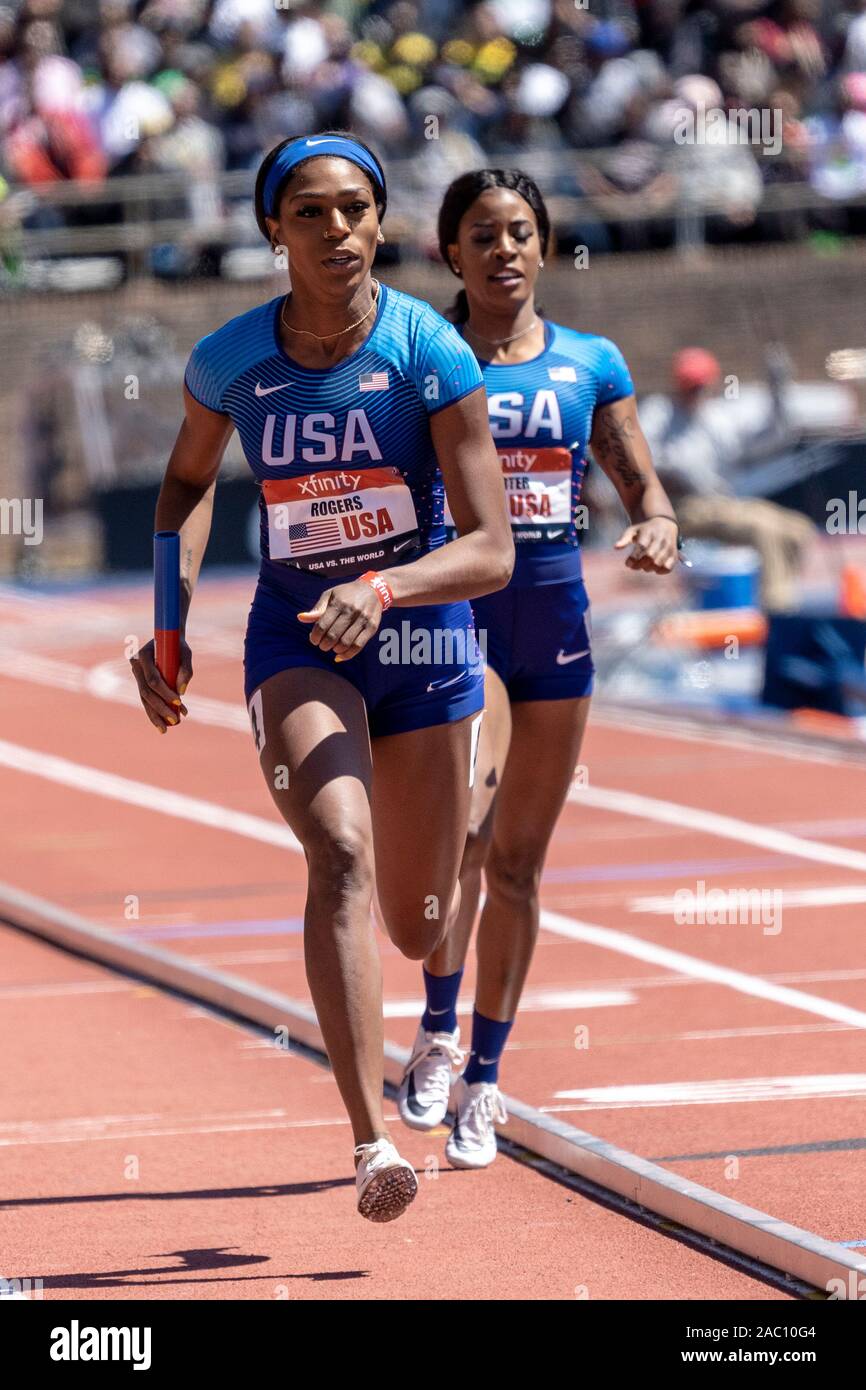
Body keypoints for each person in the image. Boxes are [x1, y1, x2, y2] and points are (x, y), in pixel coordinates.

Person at [130, 131, 514, 1221]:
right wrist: (166, 630)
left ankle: (438, 1018)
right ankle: (368, 1138)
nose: (337, 229)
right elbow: (186, 487)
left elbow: (491, 548)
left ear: (379, 222)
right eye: (311, 212)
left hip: (425, 644)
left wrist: (388, 587)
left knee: (419, 917)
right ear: (273, 230)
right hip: (297, 637)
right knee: (339, 849)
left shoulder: (429, 351)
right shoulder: (231, 361)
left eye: (354, 209)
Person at [397, 167, 678, 1168]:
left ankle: (484, 1074)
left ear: (543, 249)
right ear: (451, 254)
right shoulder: (420, 360)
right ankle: (433, 1029)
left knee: (515, 863)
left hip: (551, 614)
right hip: (458, 615)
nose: (504, 248)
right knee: (463, 837)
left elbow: (640, 480)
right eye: (482, 234)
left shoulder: (589, 362)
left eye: (520, 231)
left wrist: (653, 525)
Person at [639, 346, 816, 610]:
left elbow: (774, 435)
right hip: (683, 508)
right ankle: (778, 611)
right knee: (762, 529)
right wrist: (676, 466)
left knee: (798, 529)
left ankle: (778, 595)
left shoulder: (719, 417)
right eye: (689, 386)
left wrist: (779, 388)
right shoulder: (660, 412)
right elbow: (642, 455)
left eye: (700, 386)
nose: (695, 393)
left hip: (723, 503)